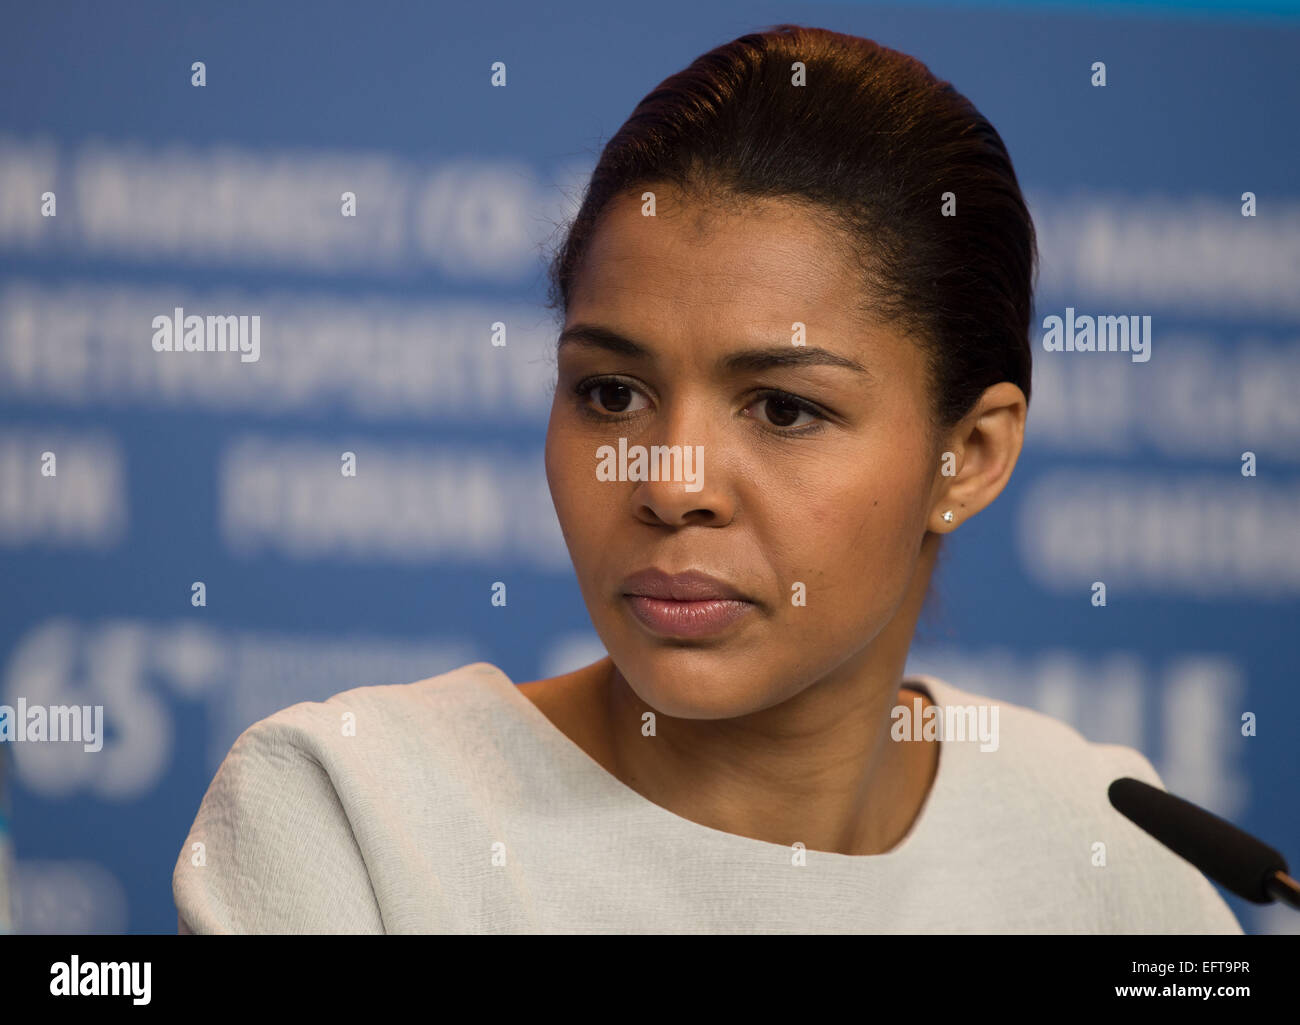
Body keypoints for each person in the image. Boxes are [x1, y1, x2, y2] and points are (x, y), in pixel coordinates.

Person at [173, 23, 1242, 933]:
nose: (670, 482)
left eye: (783, 408)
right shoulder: (356, 813)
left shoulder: (1114, 855)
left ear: (968, 457)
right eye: (609, 393)